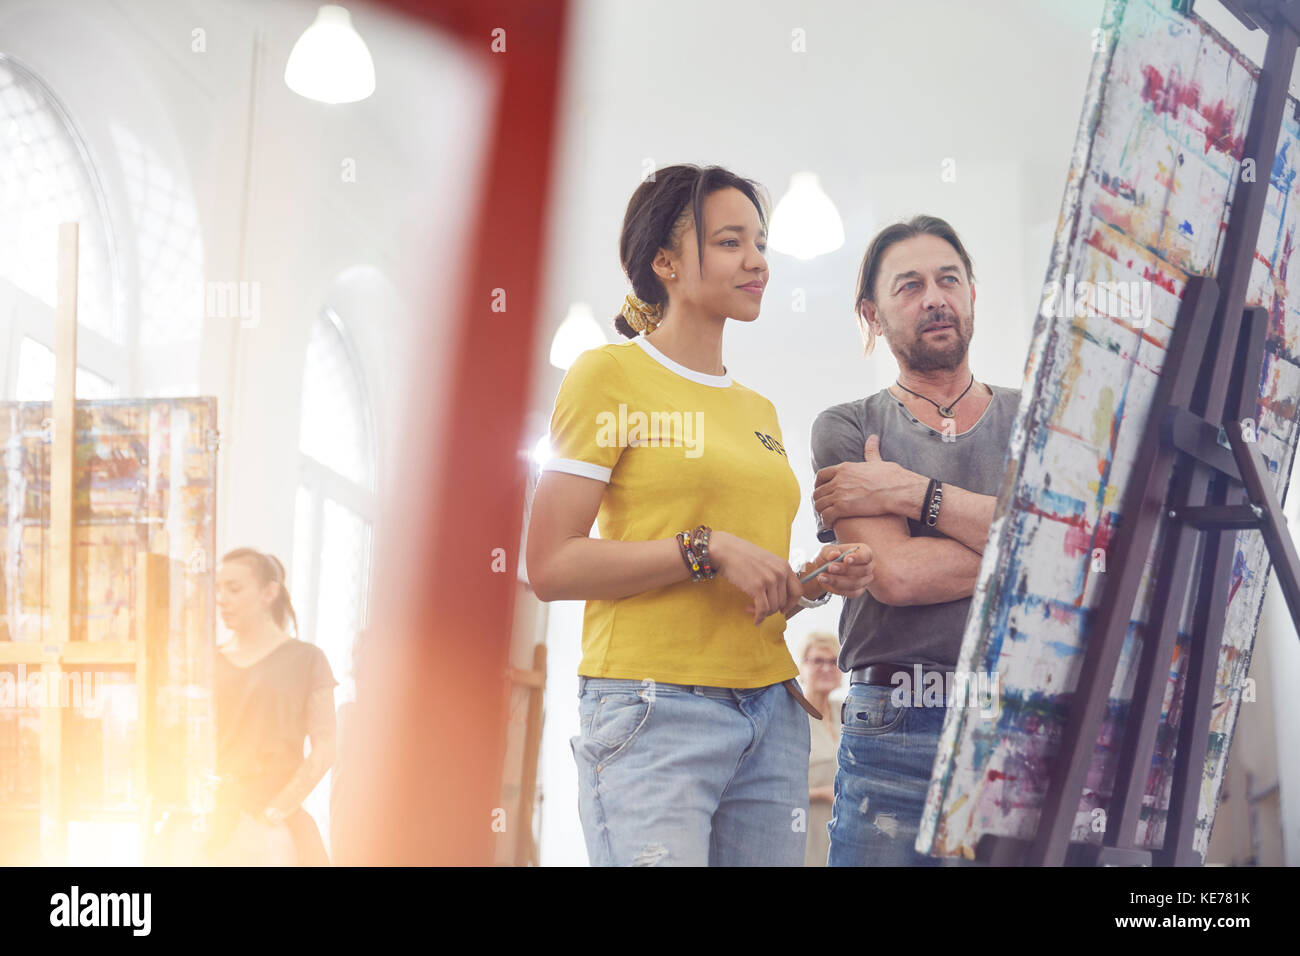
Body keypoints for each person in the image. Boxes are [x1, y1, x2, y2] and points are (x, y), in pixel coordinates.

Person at [526, 163, 874, 866]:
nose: (757, 262)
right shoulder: (608, 374)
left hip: (771, 716)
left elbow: (745, 580)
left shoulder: (759, 411)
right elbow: (549, 563)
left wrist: (807, 580)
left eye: (762, 243)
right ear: (666, 264)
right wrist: (704, 547)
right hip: (656, 712)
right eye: (730, 242)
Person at [809, 215, 1021, 866]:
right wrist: (1018, 542)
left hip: (1025, 721)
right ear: (871, 315)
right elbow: (895, 576)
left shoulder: (1039, 418)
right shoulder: (846, 427)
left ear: (972, 295)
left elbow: (1082, 553)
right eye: (909, 285)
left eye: (948, 279)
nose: (934, 296)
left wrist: (910, 494)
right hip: (894, 729)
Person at [208, 548, 337, 865]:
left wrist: (274, 812)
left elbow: (325, 749)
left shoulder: (309, 660)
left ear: (269, 592)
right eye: (218, 590)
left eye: (234, 589)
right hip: (214, 822)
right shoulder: (206, 661)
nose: (222, 599)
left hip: (277, 822)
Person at [797, 631, 843, 867]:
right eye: (817, 660)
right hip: (805, 828)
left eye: (834, 661)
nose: (826, 668)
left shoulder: (847, 713)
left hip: (842, 830)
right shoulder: (791, 716)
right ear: (802, 667)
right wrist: (821, 793)